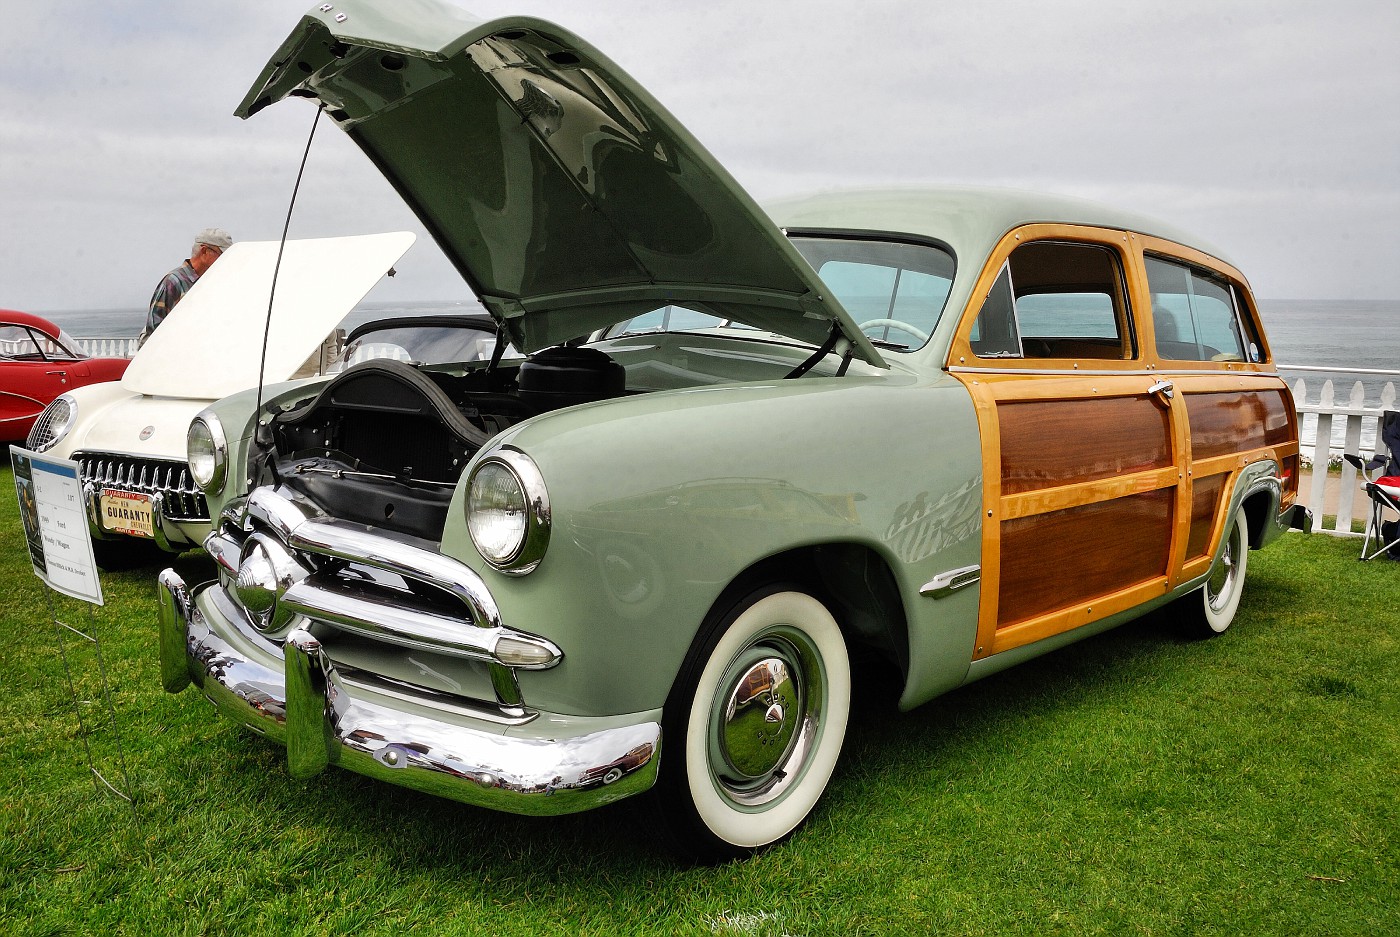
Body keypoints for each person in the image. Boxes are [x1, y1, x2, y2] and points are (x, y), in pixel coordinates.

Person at [144, 227, 233, 341]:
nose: (226, 260)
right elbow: (153, 331)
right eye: (222, 255)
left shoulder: (213, 282)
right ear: (204, 251)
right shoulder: (174, 282)